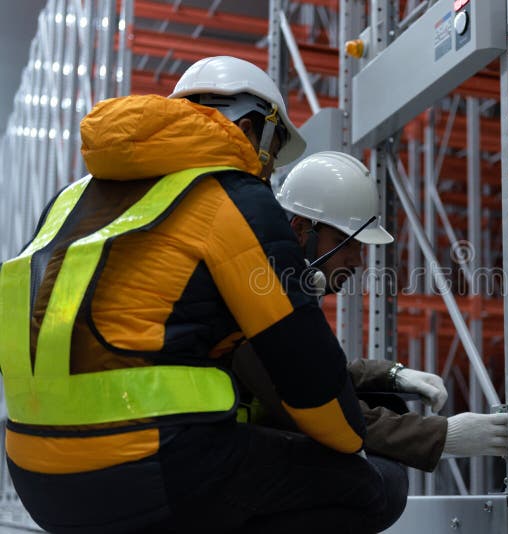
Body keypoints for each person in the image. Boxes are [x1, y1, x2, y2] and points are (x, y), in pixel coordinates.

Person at [0, 56, 406, 533]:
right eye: (272, 151)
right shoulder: (232, 197)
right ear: (254, 127)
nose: (268, 168)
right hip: (150, 474)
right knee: (375, 486)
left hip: (36, 479)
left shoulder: (70, 200)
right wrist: (359, 440)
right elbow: (311, 383)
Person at [232, 151, 508, 473]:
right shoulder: (263, 292)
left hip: (234, 442)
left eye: (359, 247)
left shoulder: (281, 282)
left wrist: (389, 374)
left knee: (386, 402)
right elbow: (312, 395)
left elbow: (310, 371)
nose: (357, 260)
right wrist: (441, 436)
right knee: (376, 481)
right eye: (344, 242)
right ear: (299, 230)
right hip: (224, 458)